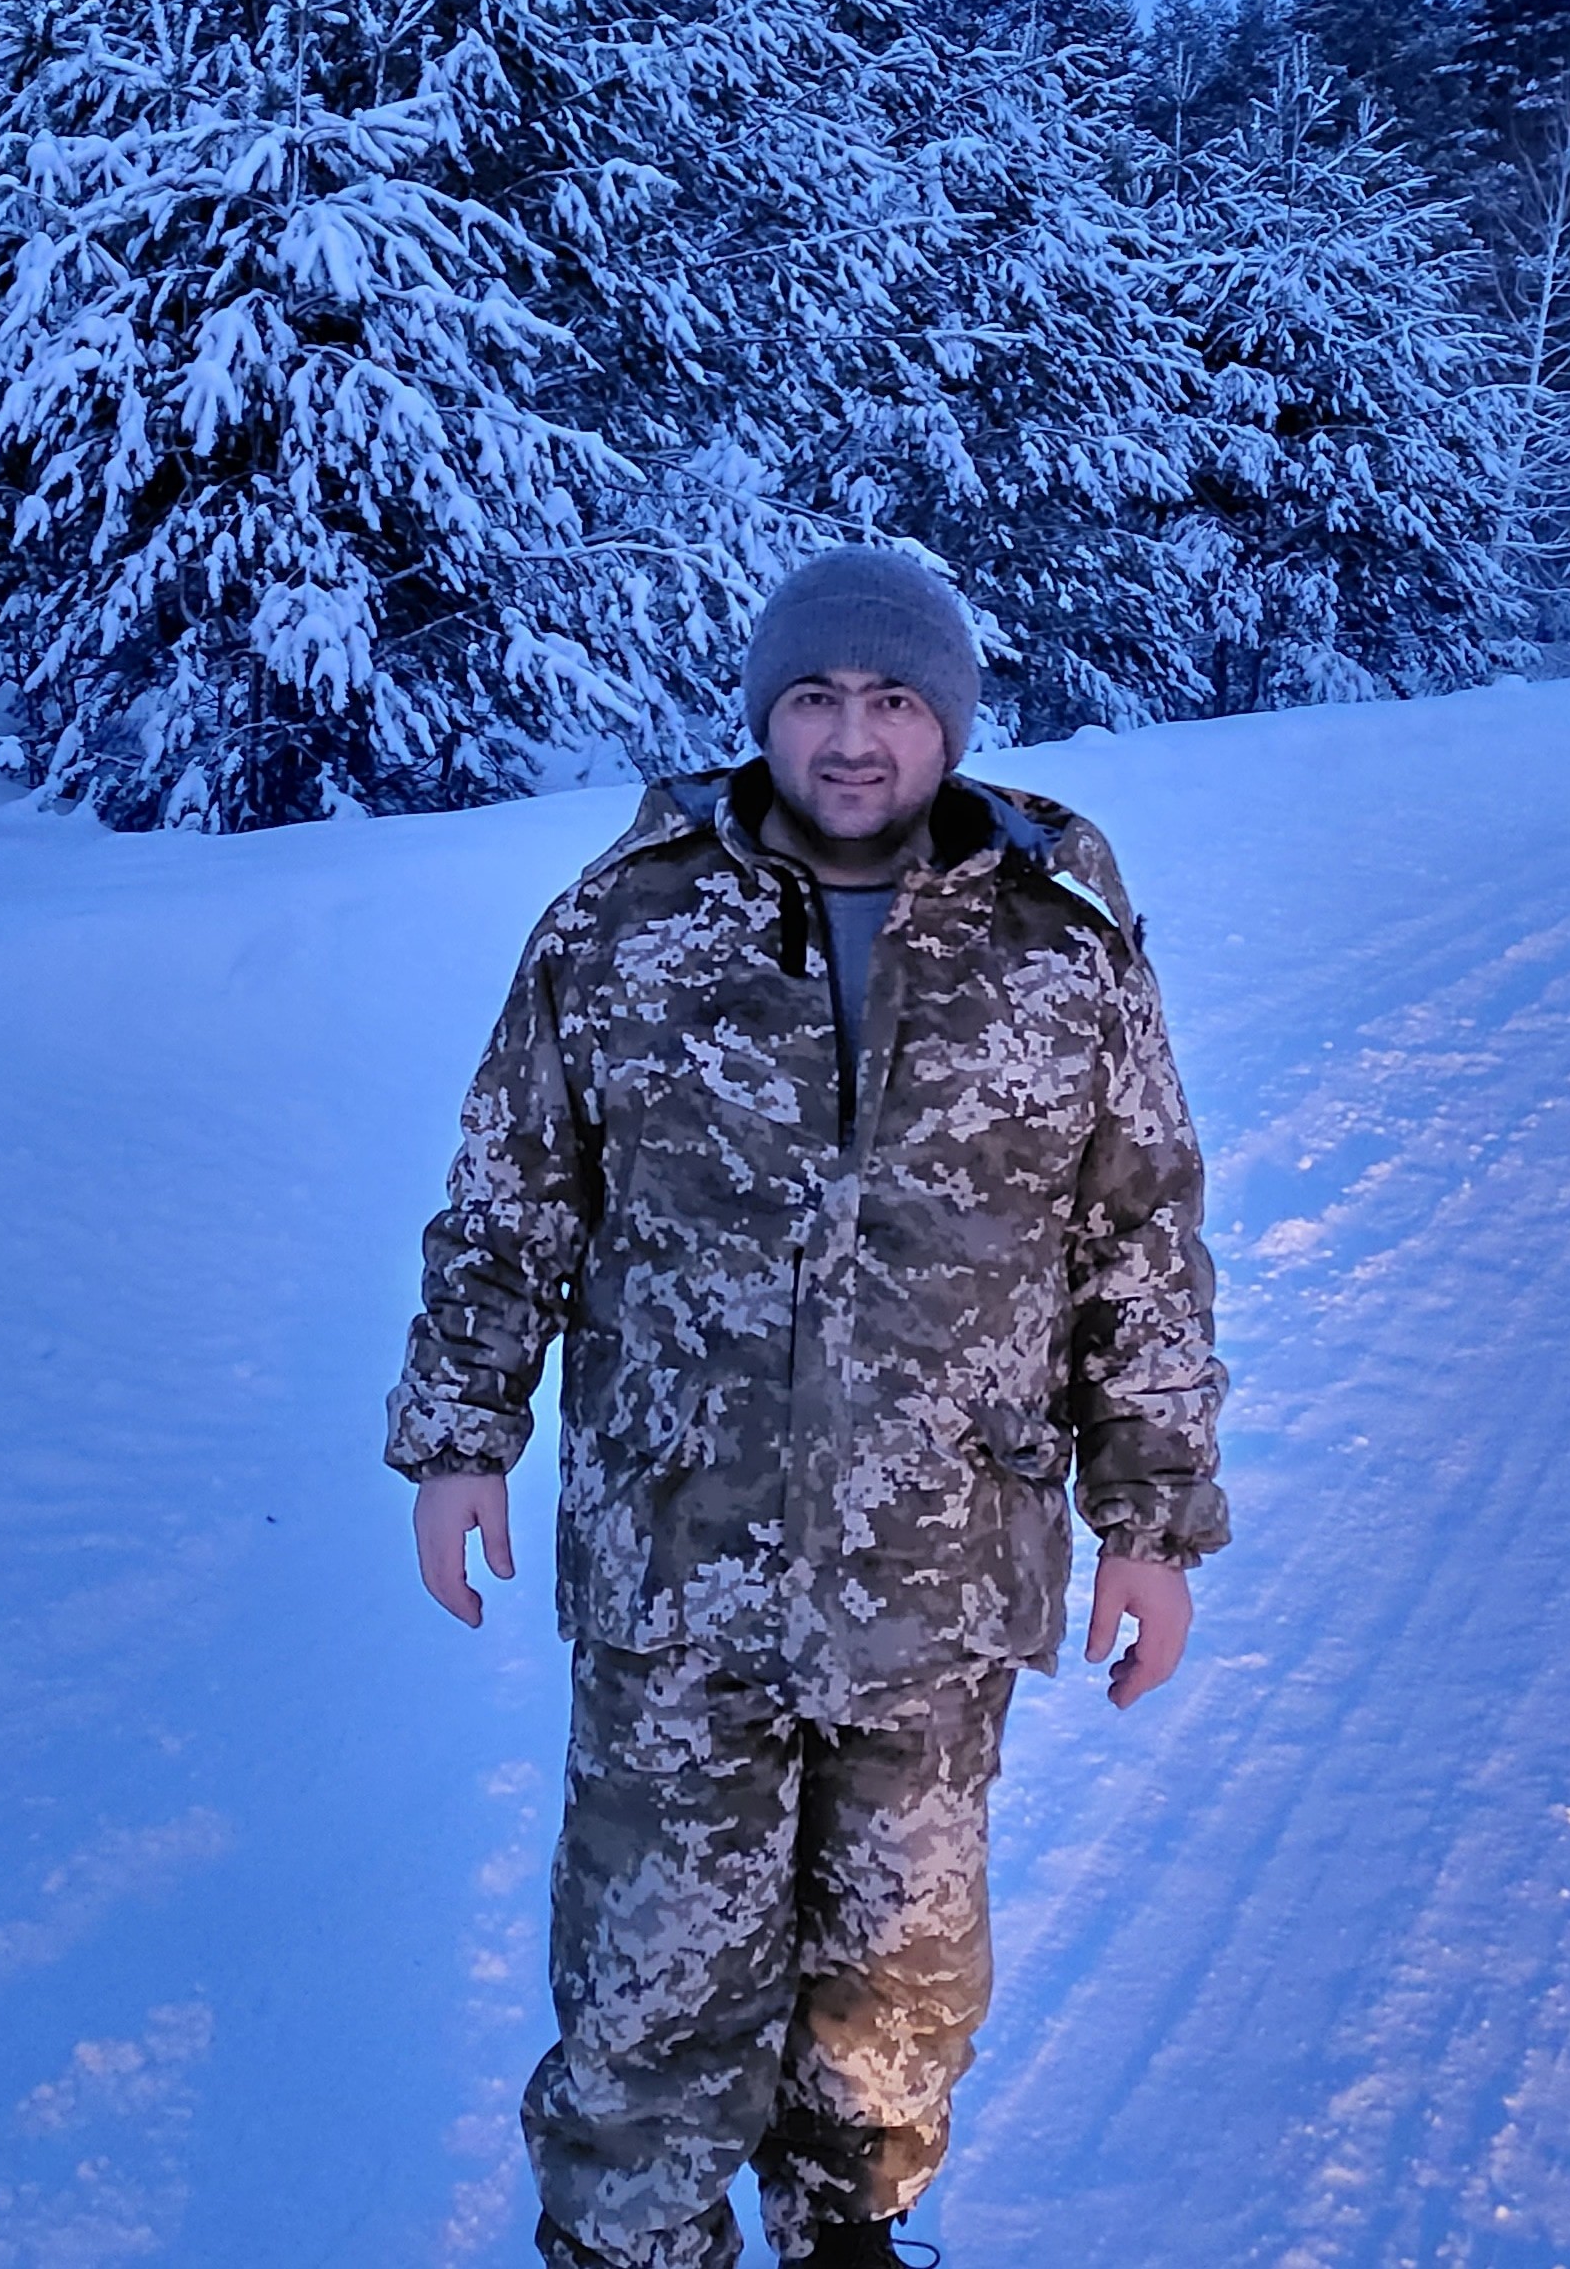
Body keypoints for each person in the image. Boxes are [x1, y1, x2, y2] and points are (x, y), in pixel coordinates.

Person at [384, 547, 1229, 2269]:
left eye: (895, 700)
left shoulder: (1062, 947)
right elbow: (511, 1200)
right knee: (652, 1975)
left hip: (937, 1564)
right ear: (768, 710)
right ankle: (629, 2246)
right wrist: (463, 1438)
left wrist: (1149, 1526)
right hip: (678, 1556)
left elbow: (1136, 1239)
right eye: (818, 698)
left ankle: (852, 2237)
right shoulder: (622, 925)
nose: (854, 738)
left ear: (952, 723)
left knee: (898, 1982)